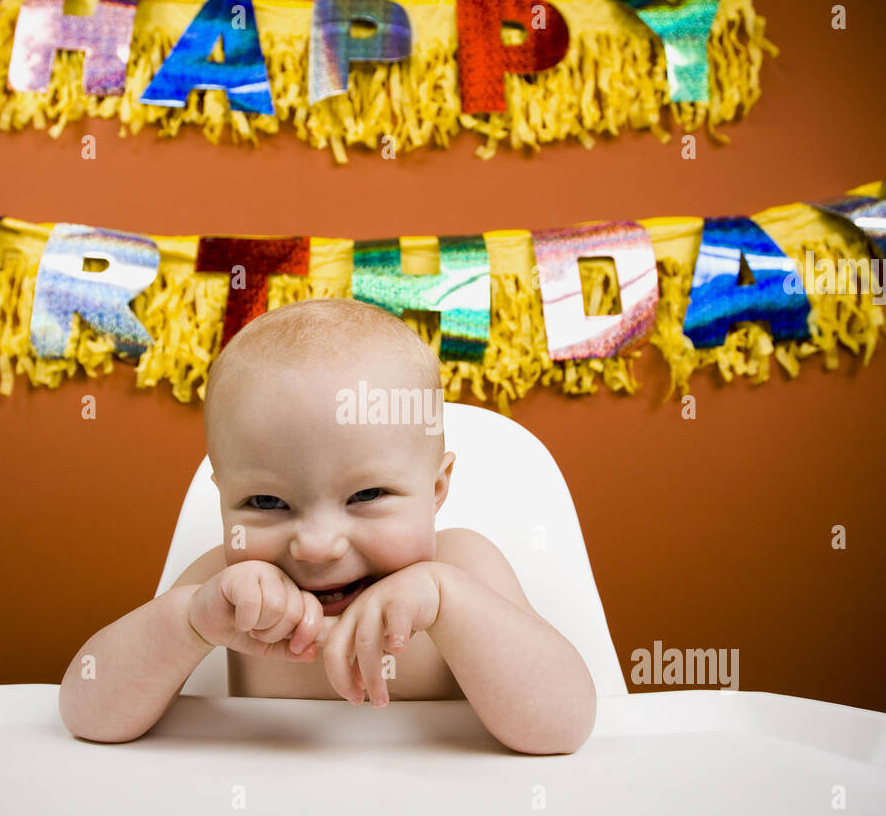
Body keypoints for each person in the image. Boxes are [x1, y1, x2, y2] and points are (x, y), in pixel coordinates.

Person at [59, 297, 596, 753]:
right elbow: (88, 715)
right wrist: (189, 623)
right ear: (222, 498)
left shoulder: (463, 569)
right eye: (266, 501)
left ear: (436, 490)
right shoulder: (224, 589)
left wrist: (450, 603)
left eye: (367, 495)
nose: (316, 546)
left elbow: (565, 726)